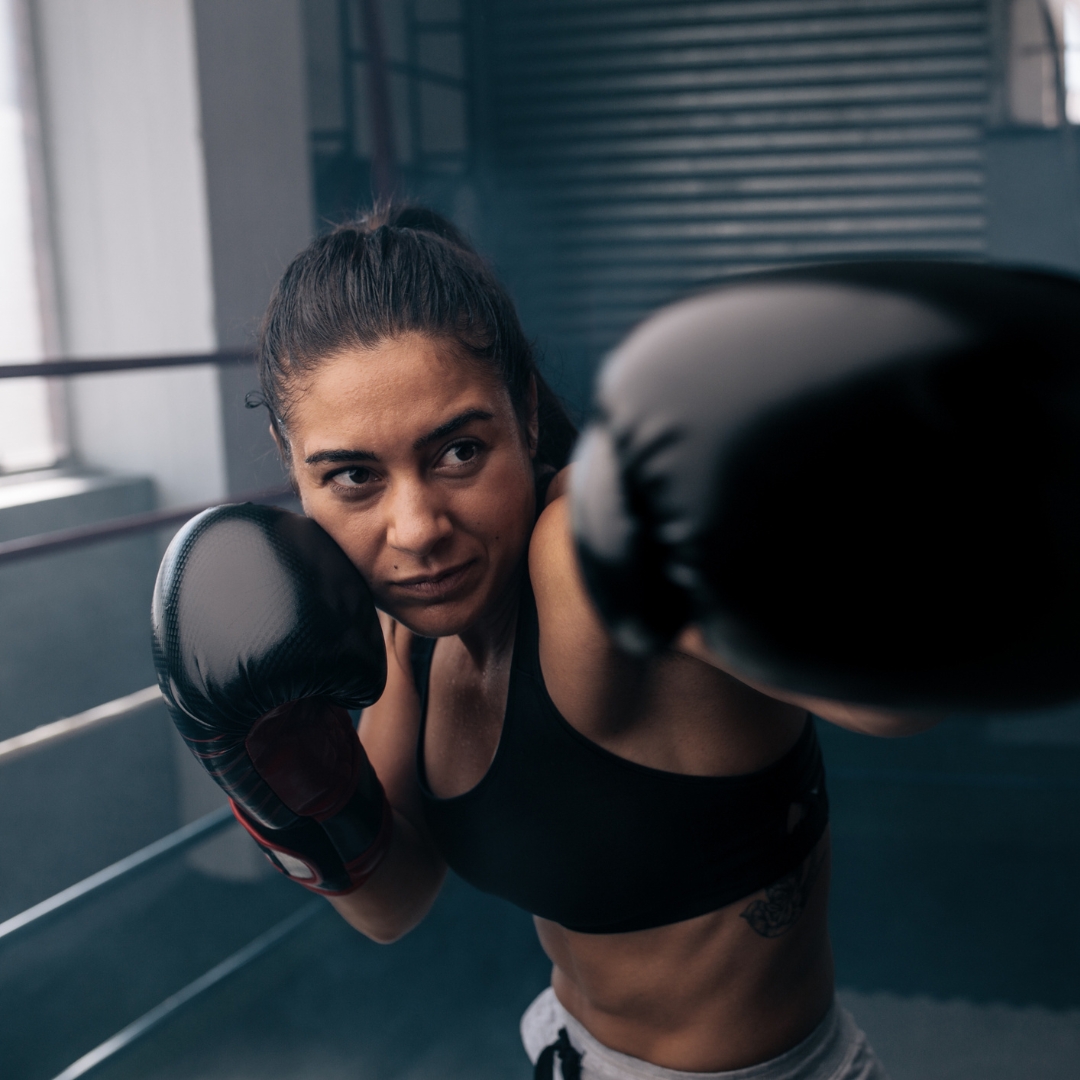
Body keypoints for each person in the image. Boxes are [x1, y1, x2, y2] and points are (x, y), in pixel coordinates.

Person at [152, 205, 1080, 1080]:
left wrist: (955, 515)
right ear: (291, 465)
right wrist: (283, 779)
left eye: (459, 452)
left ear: (520, 406)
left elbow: (896, 700)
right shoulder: (401, 627)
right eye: (354, 476)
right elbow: (393, 901)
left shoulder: (589, 554)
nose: (418, 527)